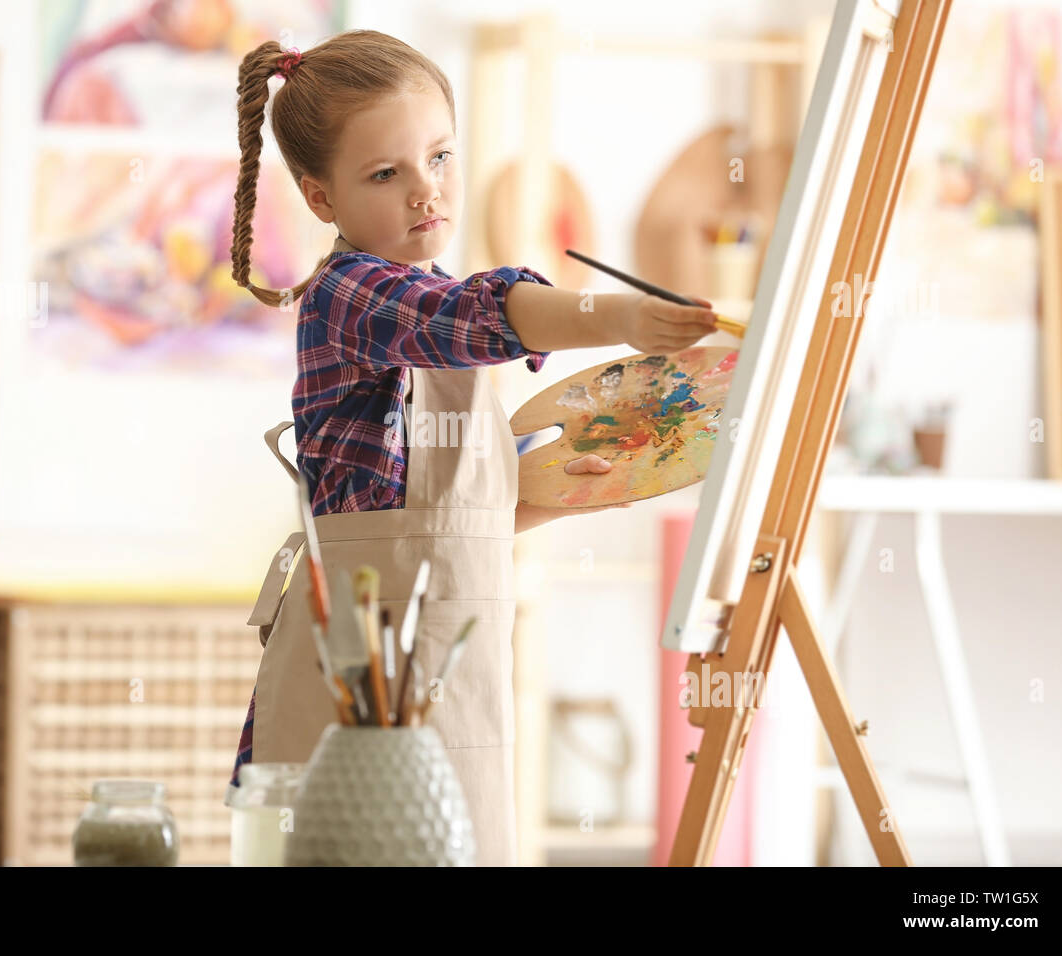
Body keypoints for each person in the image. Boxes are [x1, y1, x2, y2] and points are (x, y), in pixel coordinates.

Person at [225, 29, 718, 865]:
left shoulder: (428, 303)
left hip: (445, 684)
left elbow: (428, 535)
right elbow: (474, 319)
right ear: (320, 197)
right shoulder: (351, 297)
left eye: (442, 157)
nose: (427, 191)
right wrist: (617, 319)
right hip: (357, 694)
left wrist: (540, 495)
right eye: (386, 174)